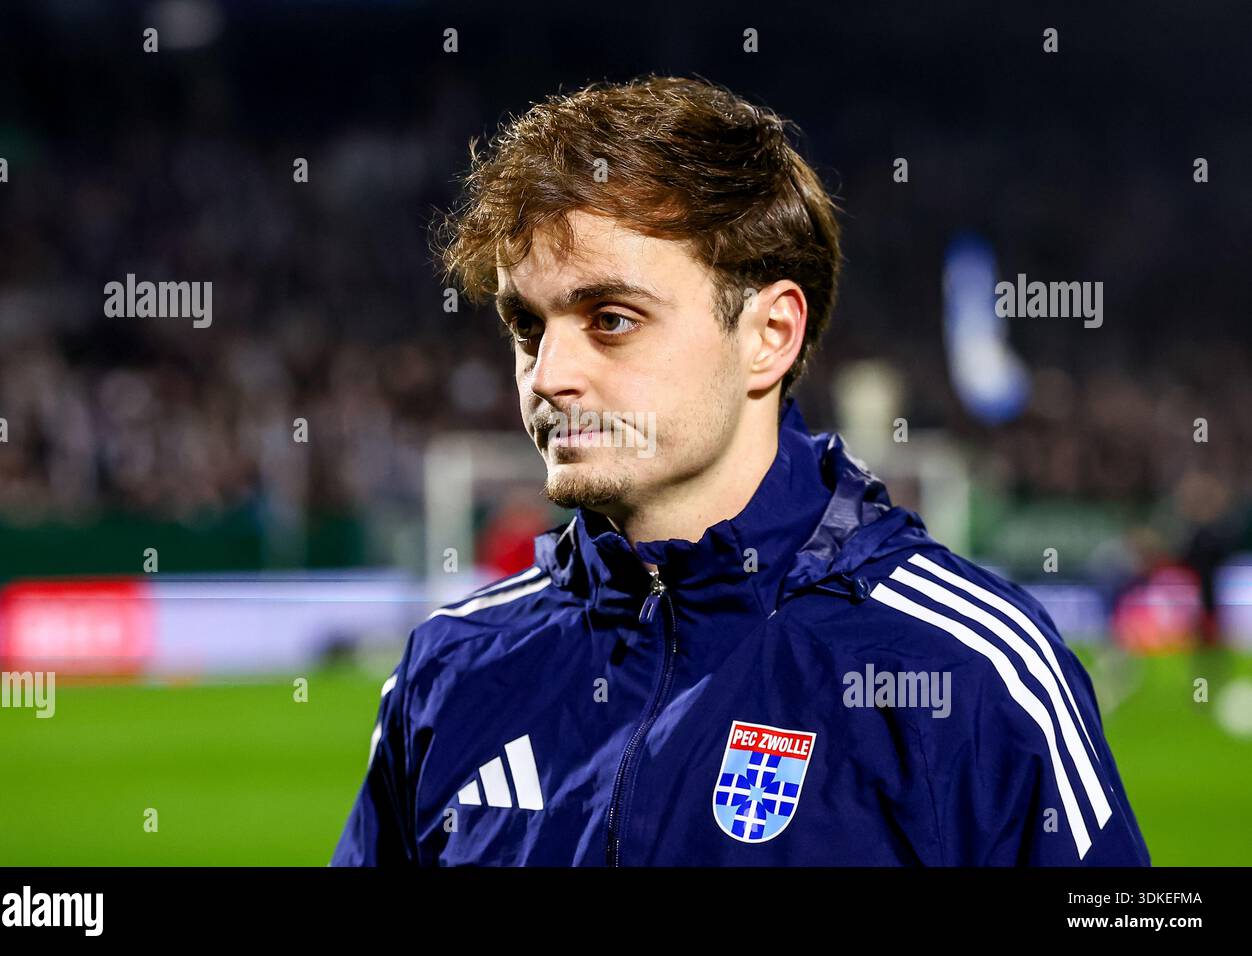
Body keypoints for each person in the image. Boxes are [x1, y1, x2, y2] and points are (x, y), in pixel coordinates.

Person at [331, 75, 1149, 865]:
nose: (549, 375)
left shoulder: (966, 672)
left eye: (610, 319)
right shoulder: (449, 671)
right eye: (527, 327)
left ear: (770, 336)